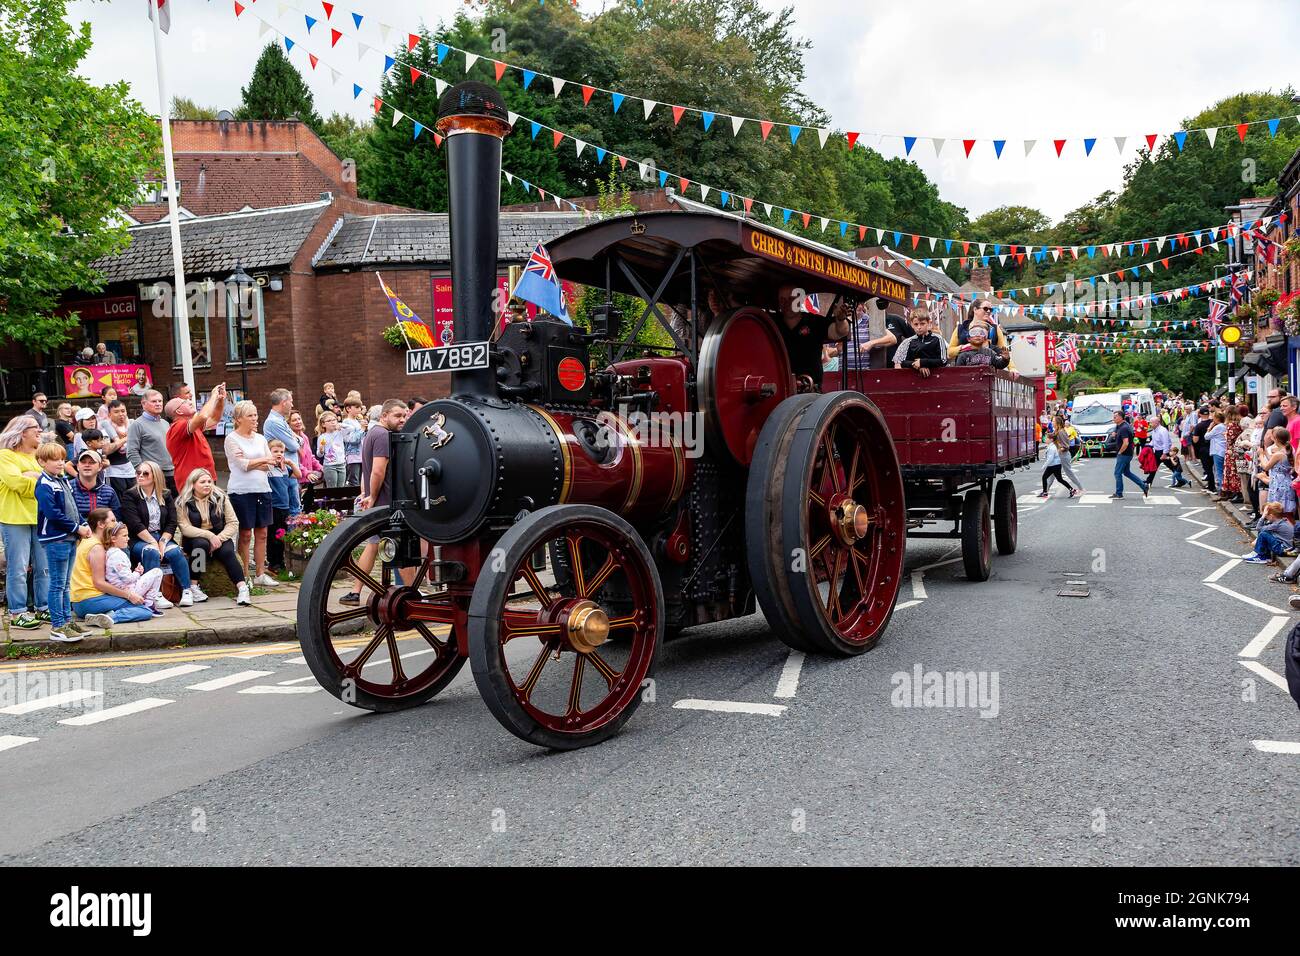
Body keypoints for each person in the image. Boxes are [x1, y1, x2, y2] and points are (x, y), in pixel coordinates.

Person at [341, 399, 410, 606]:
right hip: (386, 503)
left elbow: (366, 468)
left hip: (376, 502)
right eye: (397, 416)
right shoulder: (383, 435)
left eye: (404, 415)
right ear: (384, 416)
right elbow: (378, 469)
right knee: (401, 549)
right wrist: (372, 495)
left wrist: (366, 493)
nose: (402, 419)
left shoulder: (371, 433)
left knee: (372, 546)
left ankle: (354, 592)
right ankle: (412, 595)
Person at [119, 460, 197, 608]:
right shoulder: (130, 495)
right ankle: (155, 595)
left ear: (155, 477)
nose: (140, 476)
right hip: (139, 538)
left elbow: (172, 522)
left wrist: (162, 541)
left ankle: (187, 590)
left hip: (161, 536)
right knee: (152, 552)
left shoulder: (166, 494)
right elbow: (135, 524)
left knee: (175, 552)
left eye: (145, 473)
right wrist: (153, 543)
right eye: (138, 473)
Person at [34, 442, 90, 642]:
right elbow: (53, 514)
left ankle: (67, 622)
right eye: (54, 459)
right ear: (42, 461)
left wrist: (83, 523)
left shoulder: (62, 480)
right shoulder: (44, 484)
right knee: (57, 584)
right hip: (56, 539)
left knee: (66, 584)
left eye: (62, 459)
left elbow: (72, 507)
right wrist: (77, 528)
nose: (60, 463)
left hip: (69, 537)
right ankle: (58, 626)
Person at [0, 416, 49, 629]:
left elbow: (56, 478)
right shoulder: (5, 456)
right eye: (35, 428)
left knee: (44, 567)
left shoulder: (39, 457)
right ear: (22, 432)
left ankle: (43, 608)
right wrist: (39, 480)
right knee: (18, 568)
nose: (40, 431)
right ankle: (17, 612)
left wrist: (32, 476)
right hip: (14, 518)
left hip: (40, 518)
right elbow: (16, 482)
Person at [176, 468, 250, 606]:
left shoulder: (221, 497)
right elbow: (185, 528)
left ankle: (242, 588)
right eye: (202, 482)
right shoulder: (183, 502)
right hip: (194, 538)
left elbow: (233, 523)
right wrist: (209, 535)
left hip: (219, 536)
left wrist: (219, 538)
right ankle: (193, 587)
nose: (207, 484)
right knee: (201, 545)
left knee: (228, 551)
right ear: (192, 484)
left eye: (209, 481)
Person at [223, 400, 277, 587]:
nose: (255, 419)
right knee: (245, 534)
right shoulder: (232, 439)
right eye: (250, 416)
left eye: (255, 415)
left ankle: (260, 573)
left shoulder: (261, 438)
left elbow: (270, 465)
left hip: (262, 488)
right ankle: (244, 574)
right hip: (241, 491)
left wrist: (259, 462)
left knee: (262, 533)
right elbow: (242, 465)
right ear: (238, 419)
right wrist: (262, 460)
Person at [70, 508, 154, 627]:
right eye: (113, 520)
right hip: (90, 600)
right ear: (101, 524)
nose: (116, 523)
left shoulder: (86, 541)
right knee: (144, 610)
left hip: (81, 601)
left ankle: (102, 615)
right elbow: (99, 583)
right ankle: (111, 617)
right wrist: (129, 595)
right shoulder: (96, 547)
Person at [774, 284, 851, 389]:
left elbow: (840, 332)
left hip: (809, 391)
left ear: (800, 300)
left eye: (791, 299)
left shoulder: (814, 322)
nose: (787, 303)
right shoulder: (771, 322)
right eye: (782, 300)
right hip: (777, 389)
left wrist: (841, 319)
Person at [164, 384, 225, 492]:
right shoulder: (178, 426)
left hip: (206, 478)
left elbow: (215, 419)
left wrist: (220, 400)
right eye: (184, 402)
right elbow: (203, 416)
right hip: (191, 482)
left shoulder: (192, 426)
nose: (189, 401)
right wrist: (213, 396)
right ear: (178, 412)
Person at [102, 521, 165, 615]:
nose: (128, 538)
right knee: (157, 572)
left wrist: (135, 571)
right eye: (124, 536)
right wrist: (137, 573)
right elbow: (127, 579)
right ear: (113, 539)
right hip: (129, 590)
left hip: (123, 588)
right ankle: (149, 603)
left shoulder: (111, 553)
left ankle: (147, 601)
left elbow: (123, 575)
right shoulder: (117, 555)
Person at [262, 388, 303, 516]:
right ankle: (291, 536)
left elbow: (301, 440)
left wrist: (296, 439)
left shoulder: (281, 420)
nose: (292, 404)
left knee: (295, 508)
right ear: (284, 402)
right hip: (283, 472)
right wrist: (296, 440)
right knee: (292, 511)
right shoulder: (274, 422)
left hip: (289, 471)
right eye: (291, 401)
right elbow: (294, 445)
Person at [127, 389, 176, 495]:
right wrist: (143, 473)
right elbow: (131, 452)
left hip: (172, 473)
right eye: (154, 401)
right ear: (144, 404)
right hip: (153, 475)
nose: (158, 404)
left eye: (160, 401)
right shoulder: (137, 425)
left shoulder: (165, 423)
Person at [265, 438, 300, 574]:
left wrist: (290, 462)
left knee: (282, 534)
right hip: (274, 506)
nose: (279, 453)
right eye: (275, 451)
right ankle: (273, 562)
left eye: (281, 451)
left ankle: (280, 561)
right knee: (273, 536)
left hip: (285, 506)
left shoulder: (285, 469)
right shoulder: (268, 468)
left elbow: (298, 474)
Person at [69, 449, 120, 521]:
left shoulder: (109, 491)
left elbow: (116, 519)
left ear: (100, 467)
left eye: (92, 462)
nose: (87, 465)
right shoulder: (67, 488)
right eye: (83, 462)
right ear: (77, 466)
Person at [891, 309, 947, 376]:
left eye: (922, 324)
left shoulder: (938, 339)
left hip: (937, 379)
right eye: (916, 324)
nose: (919, 327)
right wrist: (916, 364)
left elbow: (943, 360)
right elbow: (899, 362)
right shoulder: (907, 342)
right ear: (912, 324)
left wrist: (923, 362)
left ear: (929, 323)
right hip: (912, 381)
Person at [1260, 426, 1297, 520]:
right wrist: (1266, 452)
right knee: (1286, 511)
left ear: (1276, 439)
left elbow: (1266, 467)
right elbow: (1275, 462)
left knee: (1278, 511)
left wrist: (1260, 455)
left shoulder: (1278, 454)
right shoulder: (1289, 449)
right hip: (1286, 481)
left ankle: (1284, 530)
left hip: (1278, 484)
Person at [1110, 410, 1148, 500]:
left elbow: (1126, 442)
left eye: (1115, 417)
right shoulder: (1120, 426)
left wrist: (1120, 452)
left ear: (1120, 417)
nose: (1113, 418)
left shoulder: (1124, 428)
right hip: (1127, 453)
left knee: (1117, 473)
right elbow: (1116, 432)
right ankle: (1144, 486)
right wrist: (1115, 434)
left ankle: (1119, 493)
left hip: (1124, 454)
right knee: (1126, 472)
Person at [288, 411, 322, 507]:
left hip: (308, 479)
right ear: (288, 424)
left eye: (299, 419)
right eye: (294, 420)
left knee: (308, 506)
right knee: (298, 506)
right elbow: (296, 461)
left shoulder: (304, 437)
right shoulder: (290, 440)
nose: (298, 422)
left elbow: (310, 456)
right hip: (298, 479)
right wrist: (306, 473)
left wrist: (320, 467)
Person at [1038, 433, 1079, 498]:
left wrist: (1044, 465)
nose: (1045, 439)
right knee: (1059, 479)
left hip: (1053, 465)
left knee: (1044, 477)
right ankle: (1072, 490)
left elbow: (1050, 458)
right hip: (1056, 465)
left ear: (1051, 439)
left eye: (1047, 438)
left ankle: (1045, 492)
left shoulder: (1052, 447)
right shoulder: (1052, 446)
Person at [315, 412, 347, 488]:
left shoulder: (340, 433)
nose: (332, 422)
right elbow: (319, 454)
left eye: (334, 420)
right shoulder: (322, 437)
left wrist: (340, 425)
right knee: (332, 489)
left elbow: (351, 428)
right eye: (329, 421)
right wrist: (321, 450)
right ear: (323, 424)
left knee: (341, 488)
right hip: (330, 466)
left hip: (341, 464)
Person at [340, 399, 366, 485]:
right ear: (348, 409)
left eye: (360, 407)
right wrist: (362, 429)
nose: (359, 409)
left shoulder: (357, 421)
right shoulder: (346, 422)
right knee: (353, 481)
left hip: (361, 455)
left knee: (361, 481)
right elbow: (351, 440)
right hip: (353, 456)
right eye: (357, 407)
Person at [1191, 407, 1215, 493]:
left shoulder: (1199, 426)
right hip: (1214, 448)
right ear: (1208, 414)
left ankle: (1211, 486)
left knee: (1208, 469)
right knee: (1214, 468)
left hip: (1203, 449)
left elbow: (1195, 440)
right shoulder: (1213, 424)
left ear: (1200, 415)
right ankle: (1211, 485)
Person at [1206, 411, 1228, 493]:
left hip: (1217, 451)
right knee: (1222, 471)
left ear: (1217, 418)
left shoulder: (1217, 427)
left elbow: (1206, 436)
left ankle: (1221, 491)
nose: (1212, 419)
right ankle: (1223, 489)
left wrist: (1209, 428)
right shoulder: (1224, 426)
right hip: (1222, 450)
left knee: (1219, 471)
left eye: (1214, 417)